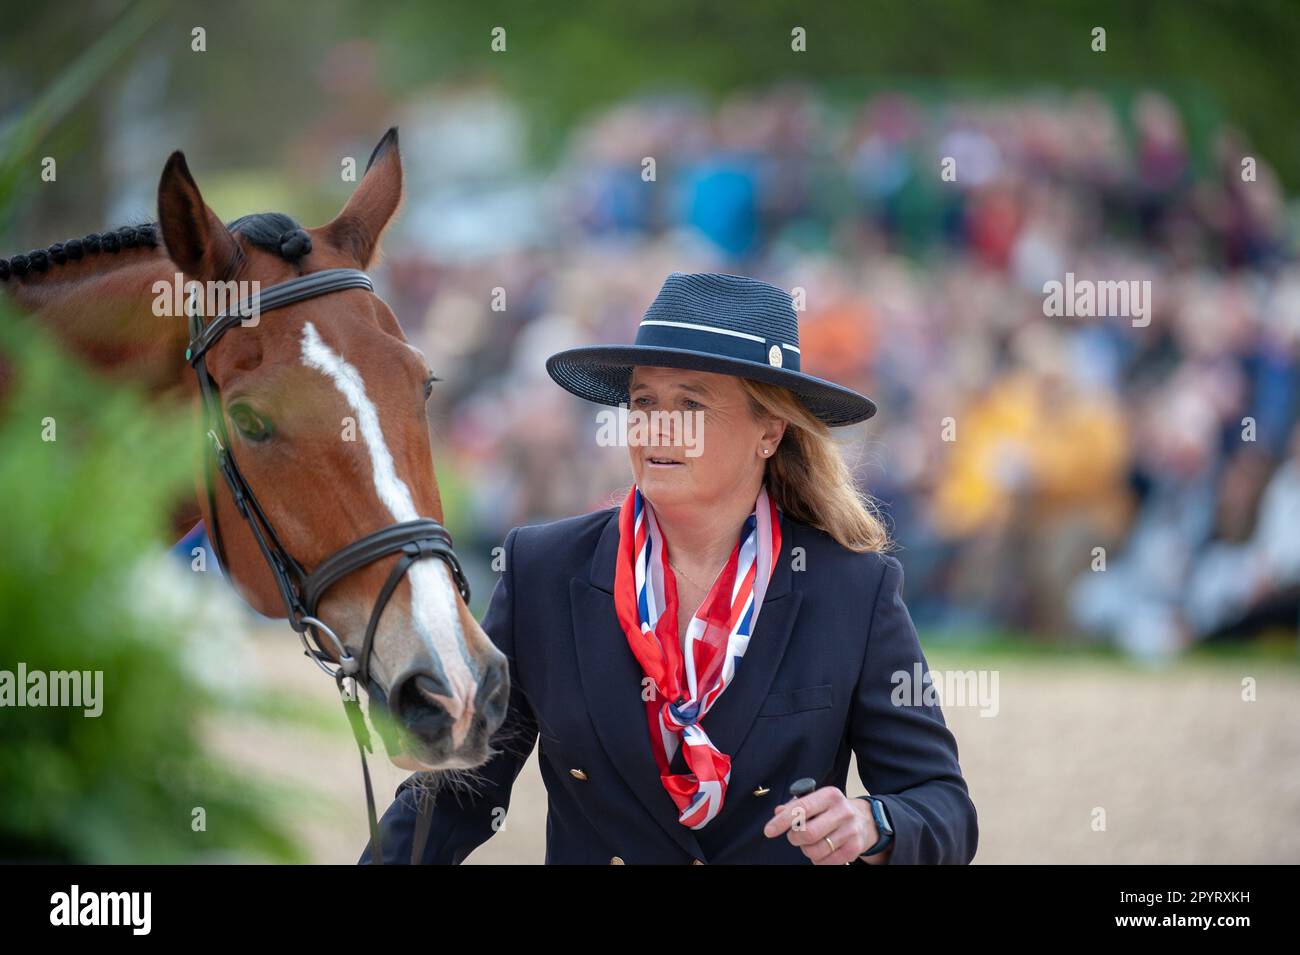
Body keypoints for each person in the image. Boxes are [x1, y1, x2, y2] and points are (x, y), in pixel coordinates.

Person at [362, 271, 978, 864]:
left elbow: (943, 805)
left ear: (769, 429)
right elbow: (453, 796)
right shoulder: (542, 570)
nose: (658, 426)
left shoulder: (853, 588)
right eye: (643, 401)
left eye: (691, 403)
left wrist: (874, 823)